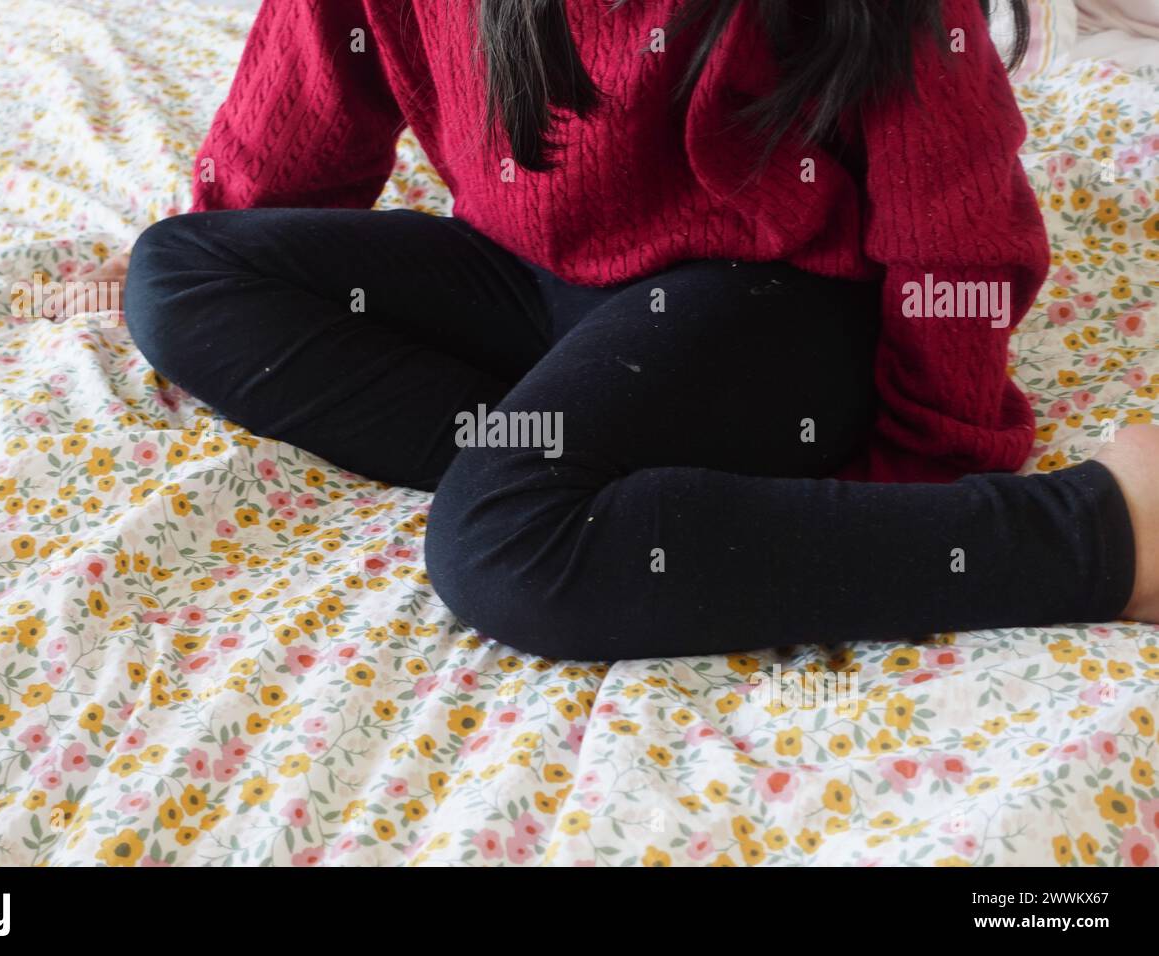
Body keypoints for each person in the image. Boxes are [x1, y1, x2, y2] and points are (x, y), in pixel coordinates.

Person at [75, 0, 1159, 660]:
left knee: (496, 543)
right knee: (175, 275)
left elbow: (955, 222)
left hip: (764, 299)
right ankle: (592, 471)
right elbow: (303, 106)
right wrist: (248, 265)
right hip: (532, 280)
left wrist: (930, 457)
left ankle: (1100, 530)